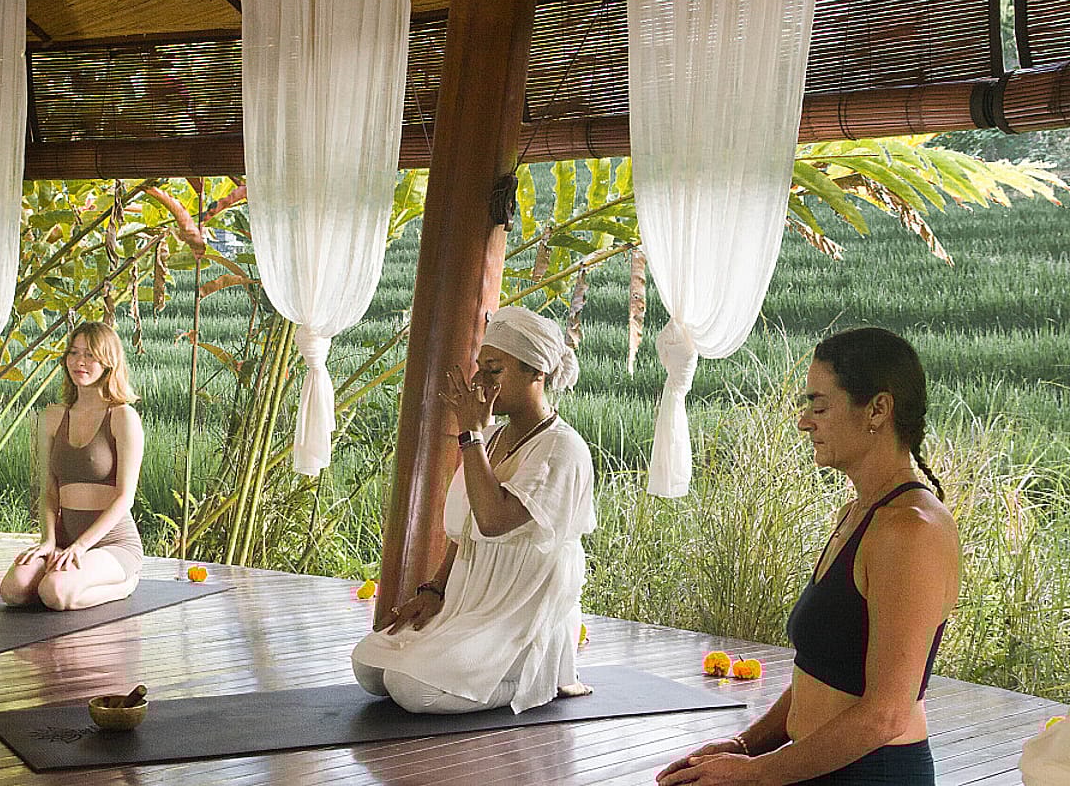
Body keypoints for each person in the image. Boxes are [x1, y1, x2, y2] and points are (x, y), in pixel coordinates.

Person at [657, 327, 960, 785]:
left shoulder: (911, 530)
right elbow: (820, 671)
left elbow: (886, 715)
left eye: (819, 406)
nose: (804, 421)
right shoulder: (860, 514)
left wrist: (755, 773)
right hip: (815, 764)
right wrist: (746, 745)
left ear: (878, 409)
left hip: (871, 774)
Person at [350, 306, 596, 714]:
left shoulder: (561, 448)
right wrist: (434, 590)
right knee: (370, 666)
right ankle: (463, 663)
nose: (479, 381)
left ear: (536, 374)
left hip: (518, 612)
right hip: (467, 599)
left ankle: (540, 679)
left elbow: (494, 520)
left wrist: (470, 434)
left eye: (494, 370)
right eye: (480, 367)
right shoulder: (492, 437)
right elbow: (466, 528)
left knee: (411, 689)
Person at [0, 321, 145, 611]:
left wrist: (81, 546)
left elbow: (124, 498)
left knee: (54, 592)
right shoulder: (52, 417)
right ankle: (68, 571)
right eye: (74, 353)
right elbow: (49, 490)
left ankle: (125, 585)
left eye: (90, 355)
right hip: (65, 539)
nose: (80, 361)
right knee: (13, 590)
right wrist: (48, 541)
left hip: (112, 543)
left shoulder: (123, 417)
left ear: (108, 362)